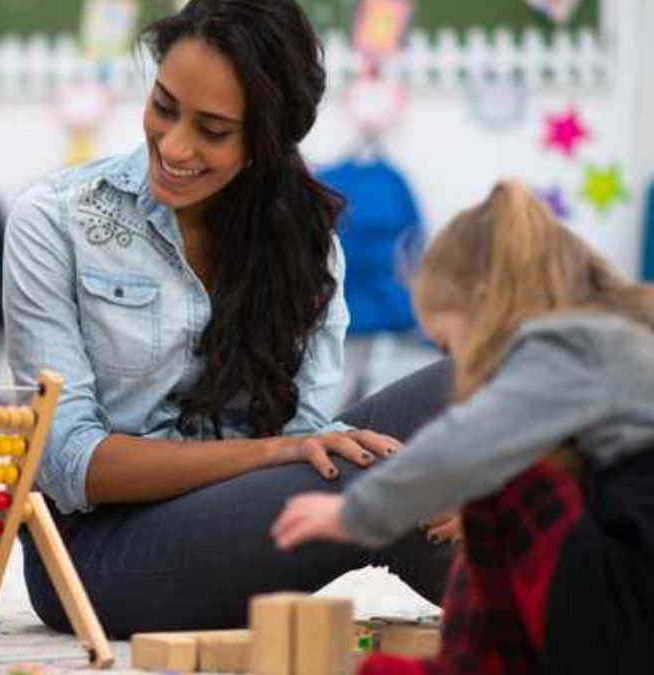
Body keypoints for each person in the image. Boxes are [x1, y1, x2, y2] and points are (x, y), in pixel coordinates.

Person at [2, 0, 452, 637]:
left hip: (255, 527)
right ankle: (547, 611)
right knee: (374, 467)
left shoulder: (306, 242)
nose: (175, 144)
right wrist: (279, 450)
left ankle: (535, 600)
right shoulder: (55, 220)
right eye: (164, 105)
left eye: (213, 130)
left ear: (266, 140)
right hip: (96, 562)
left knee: (474, 381)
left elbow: (312, 442)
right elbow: (71, 465)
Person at [272, 181, 654, 674]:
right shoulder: (615, 336)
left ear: (486, 302)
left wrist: (355, 512)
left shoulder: (564, 344)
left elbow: (466, 442)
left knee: (502, 493)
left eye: (450, 345)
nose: (454, 364)